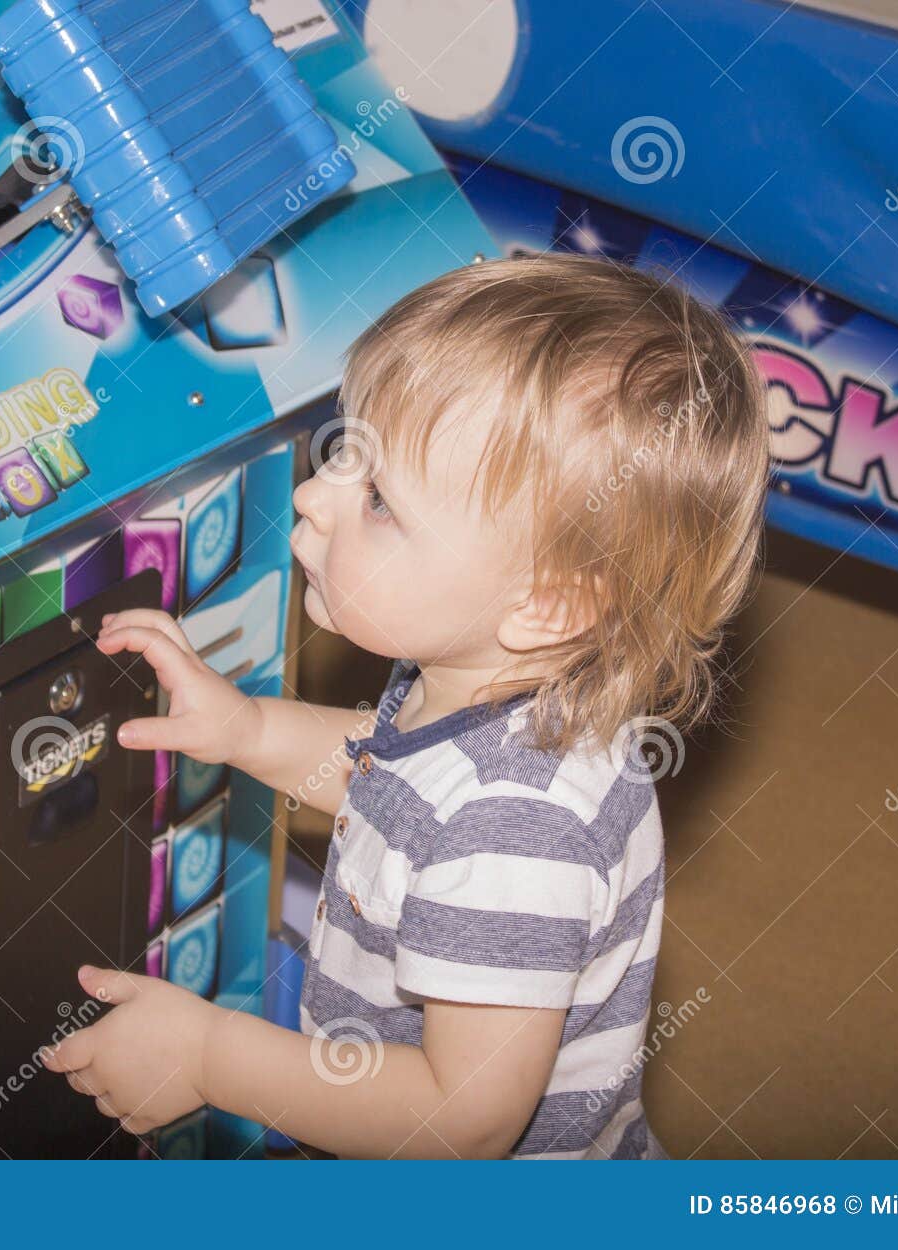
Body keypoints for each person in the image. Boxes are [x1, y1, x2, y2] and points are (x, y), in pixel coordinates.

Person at [42, 253, 770, 1159]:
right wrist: (249, 728)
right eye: (348, 451)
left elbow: (463, 1117)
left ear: (546, 605)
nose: (312, 493)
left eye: (380, 499)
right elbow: (398, 789)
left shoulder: (516, 834)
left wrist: (208, 1056)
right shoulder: (486, 691)